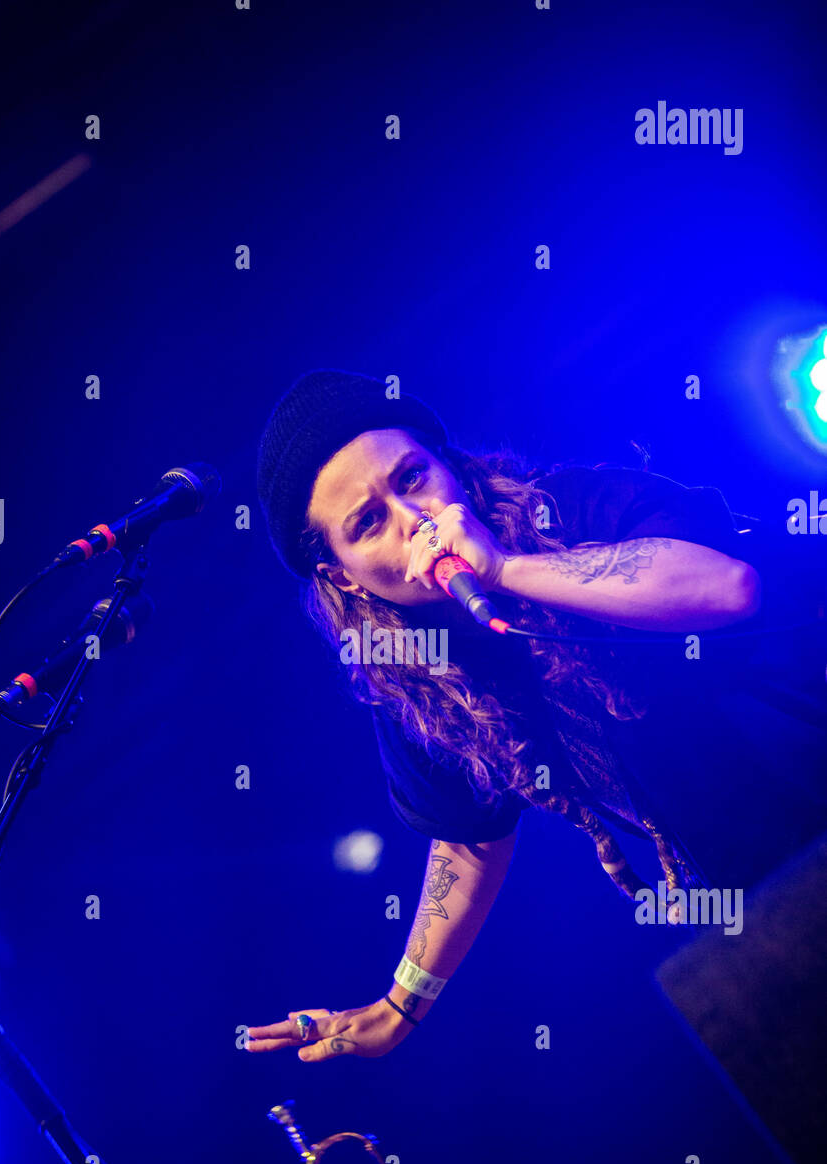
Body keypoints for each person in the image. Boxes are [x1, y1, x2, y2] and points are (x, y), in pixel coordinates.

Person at [247, 369, 827, 1063]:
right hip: (774, 881)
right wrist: (400, 1005)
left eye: (411, 479)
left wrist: (502, 571)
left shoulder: (574, 508)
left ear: (449, 465)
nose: (414, 521)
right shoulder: (416, 677)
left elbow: (725, 588)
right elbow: (467, 840)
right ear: (339, 572)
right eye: (368, 523)